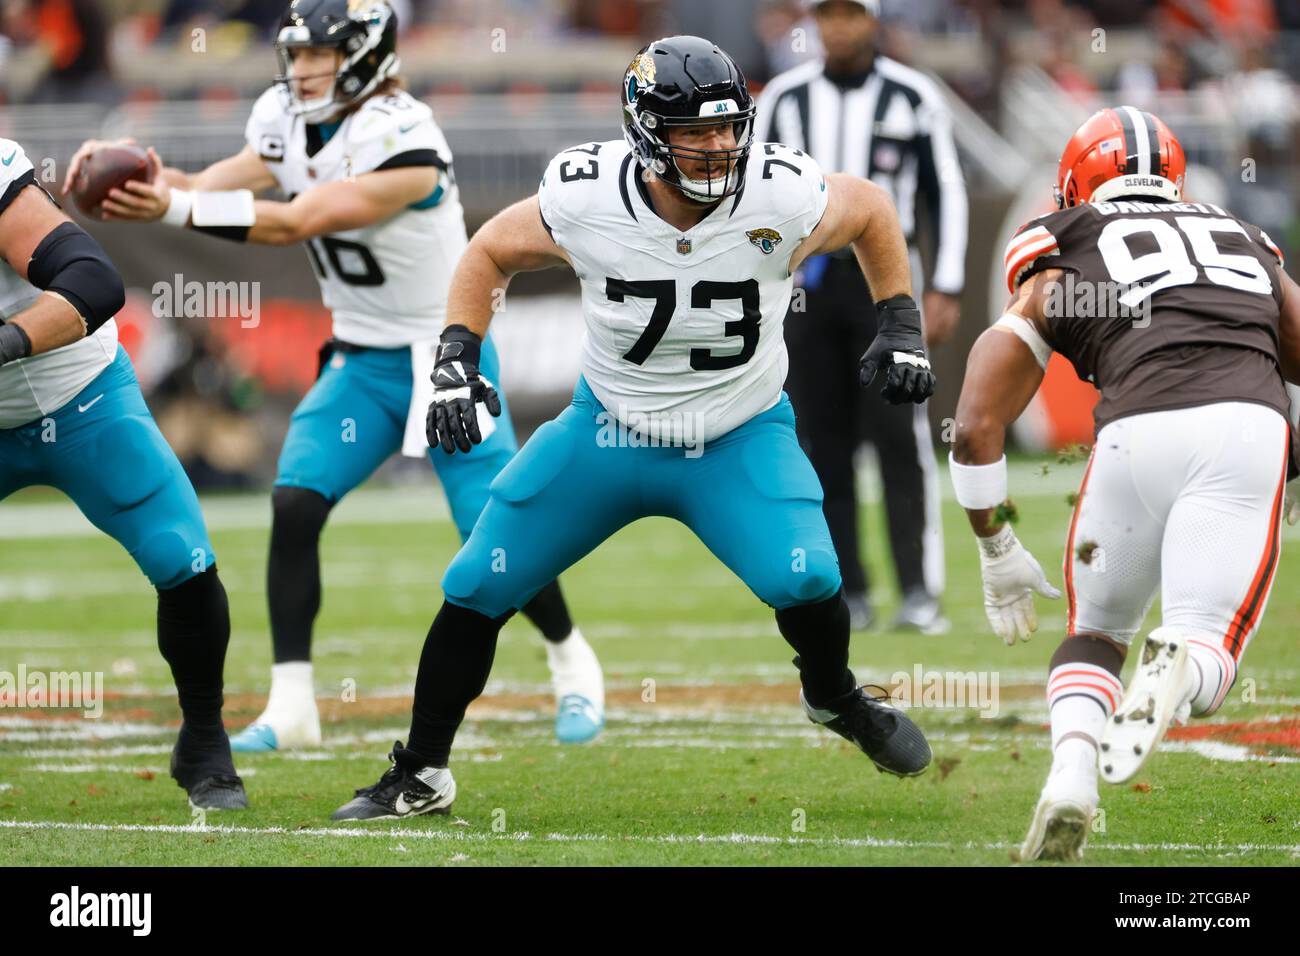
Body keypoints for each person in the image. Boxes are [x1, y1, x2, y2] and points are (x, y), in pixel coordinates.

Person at [333, 35, 936, 821]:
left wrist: (899, 318)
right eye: (696, 131)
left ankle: (833, 697)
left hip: (738, 432)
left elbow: (873, 211)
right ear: (648, 132)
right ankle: (420, 772)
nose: (719, 147)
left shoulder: (779, 191)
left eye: (728, 127)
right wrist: (456, 355)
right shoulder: (586, 195)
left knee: (808, 579)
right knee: (477, 581)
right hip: (607, 430)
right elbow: (487, 254)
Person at [63, 0, 605, 752]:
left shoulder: (405, 135)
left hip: (441, 356)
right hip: (360, 356)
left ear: (370, 56)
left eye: (323, 53)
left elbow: (294, 220)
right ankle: (293, 705)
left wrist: (175, 207)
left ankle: (571, 658)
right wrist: (147, 178)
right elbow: (225, 179)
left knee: (496, 531)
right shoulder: (286, 116)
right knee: (294, 503)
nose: (305, 68)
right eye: (299, 53)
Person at [950, 106, 1300, 861]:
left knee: (1096, 633)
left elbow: (977, 423)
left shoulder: (1060, 242)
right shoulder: (1241, 236)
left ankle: (1070, 780)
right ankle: (1180, 659)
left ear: (1076, 182)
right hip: (1244, 428)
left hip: (1132, 437)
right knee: (1210, 648)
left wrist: (996, 546)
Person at [0, 136, 246, 809]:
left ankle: (203, 739)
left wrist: (8, 341)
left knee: (181, 557)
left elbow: (94, 282)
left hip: (78, 394)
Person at [753, 0, 968, 632]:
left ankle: (918, 589)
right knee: (823, 438)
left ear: (873, 20)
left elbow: (944, 188)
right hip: (808, 284)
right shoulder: (784, 98)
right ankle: (846, 589)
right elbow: (755, 187)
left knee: (900, 434)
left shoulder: (912, 93)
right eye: (828, 15)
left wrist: (946, 281)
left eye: (850, 14)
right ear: (814, 22)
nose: (839, 27)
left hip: (886, 281)